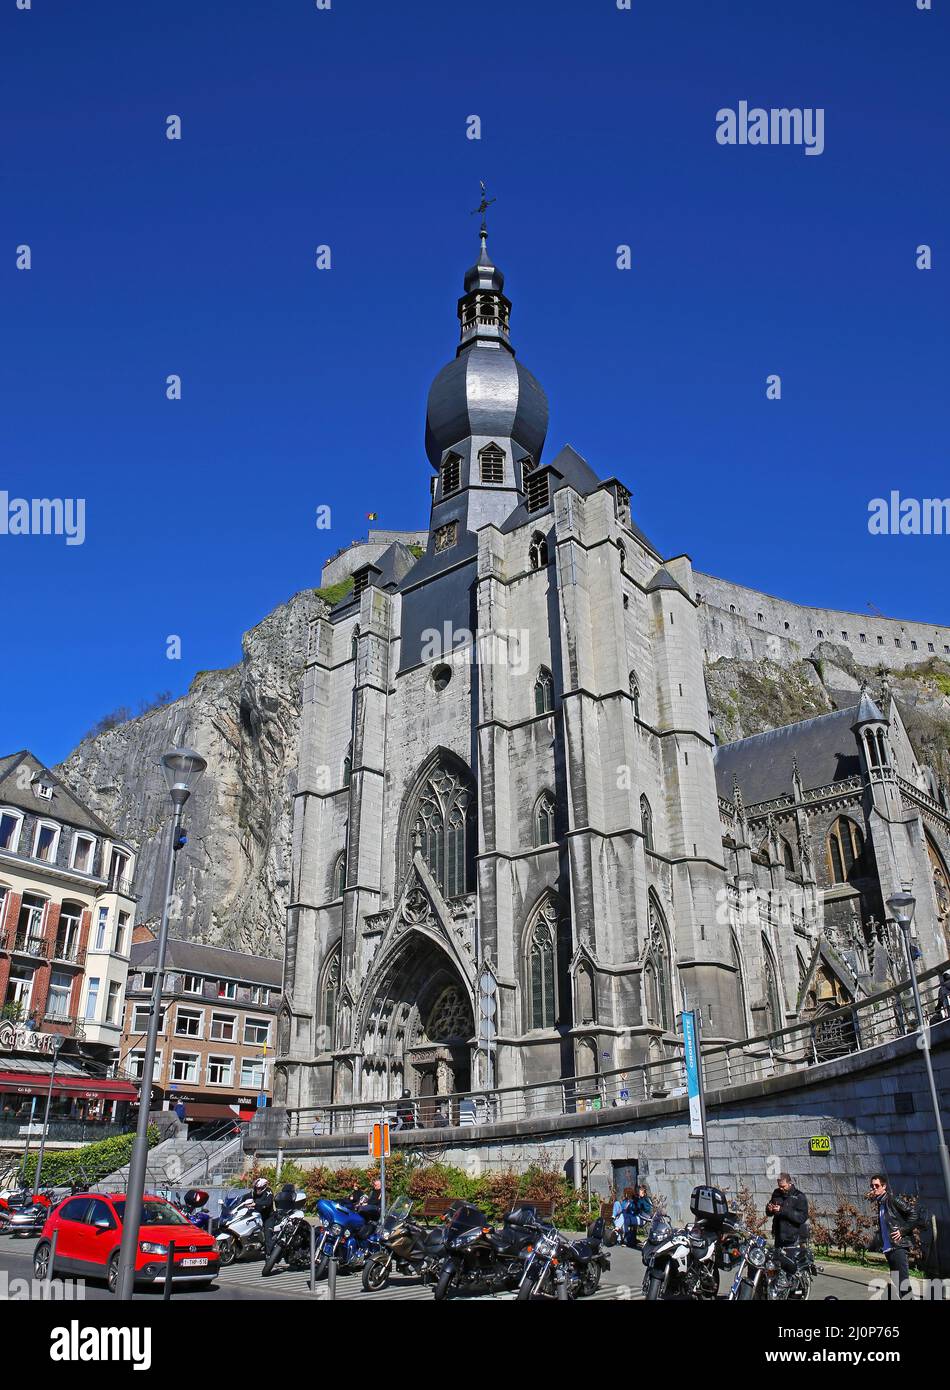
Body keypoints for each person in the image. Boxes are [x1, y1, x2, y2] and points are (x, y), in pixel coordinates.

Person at [867, 1174, 918, 1300]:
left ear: (884, 1186)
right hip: (889, 1248)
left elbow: (914, 1214)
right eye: (872, 1186)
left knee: (903, 1283)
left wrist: (902, 1230)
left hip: (898, 1247)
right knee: (897, 1281)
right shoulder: (881, 1203)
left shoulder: (892, 1200)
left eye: (877, 1186)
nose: (874, 1188)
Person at [765, 1173, 809, 1251]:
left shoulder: (799, 1196)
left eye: (783, 1186)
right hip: (779, 1235)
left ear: (790, 1183)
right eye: (779, 1186)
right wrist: (769, 1209)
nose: (781, 1188)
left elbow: (802, 1217)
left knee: (790, 1261)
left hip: (793, 1237)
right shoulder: (776, 1193)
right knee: (778, 1260)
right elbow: (769, 1213)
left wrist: (782, 1210)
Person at [251, 1176, 277, 1257]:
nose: (257, 1190)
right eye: (256, 1188)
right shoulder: (254, 1192)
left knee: (267, 1235)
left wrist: (256, 1204)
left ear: (264, 1187)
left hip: (268, 1217)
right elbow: (246, 1198)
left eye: (259, 1188)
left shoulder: (268, 1192)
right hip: (256, 1215)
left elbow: (268, 1203)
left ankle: (269, 1255)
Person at [631, 1183, 653, 1248]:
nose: (638, 1192)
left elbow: (645, 1208)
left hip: (646, 1216)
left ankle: (648, 1241)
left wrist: (636, 1207)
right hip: (646, 1216)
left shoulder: (644, 1199)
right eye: (638, 1191)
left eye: (640, 1191)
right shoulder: (643, 1198)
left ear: (644, 1192)